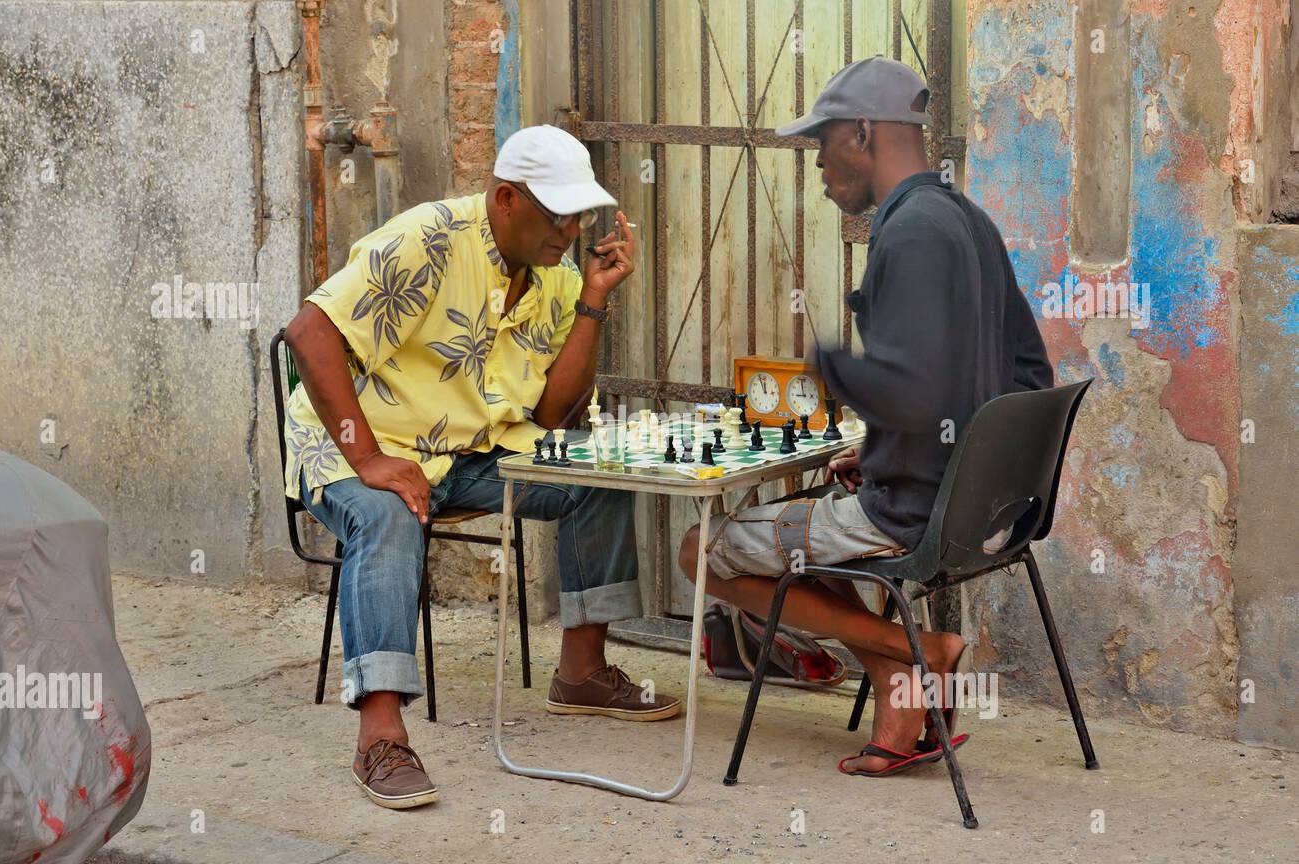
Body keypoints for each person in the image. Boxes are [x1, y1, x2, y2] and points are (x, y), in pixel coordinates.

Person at [284, 125, 680, 811]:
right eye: (558, 213)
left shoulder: (556, 276)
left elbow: (556, 414)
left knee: (597, 469)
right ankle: (380, 734)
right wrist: (372, 458)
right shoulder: (430, 240)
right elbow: (308, 333)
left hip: (468, 448)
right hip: (356, 439)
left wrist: (594, 298)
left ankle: (582, 671)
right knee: (387, 512)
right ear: (504, 198)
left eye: (579, 213)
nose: (573, 227)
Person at [679, 57, 1053, 776]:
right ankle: (900, 691)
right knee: (813, 532)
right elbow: (1026, 377)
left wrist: (831, 366)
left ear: (861, 133)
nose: (818, 164)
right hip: (982, 513)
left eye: (821, 144)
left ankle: (914, 651)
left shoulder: (907, 231)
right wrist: (898, 449)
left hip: (912, 516)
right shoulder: (969, 220)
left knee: (701, 551)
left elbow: (911, 391)